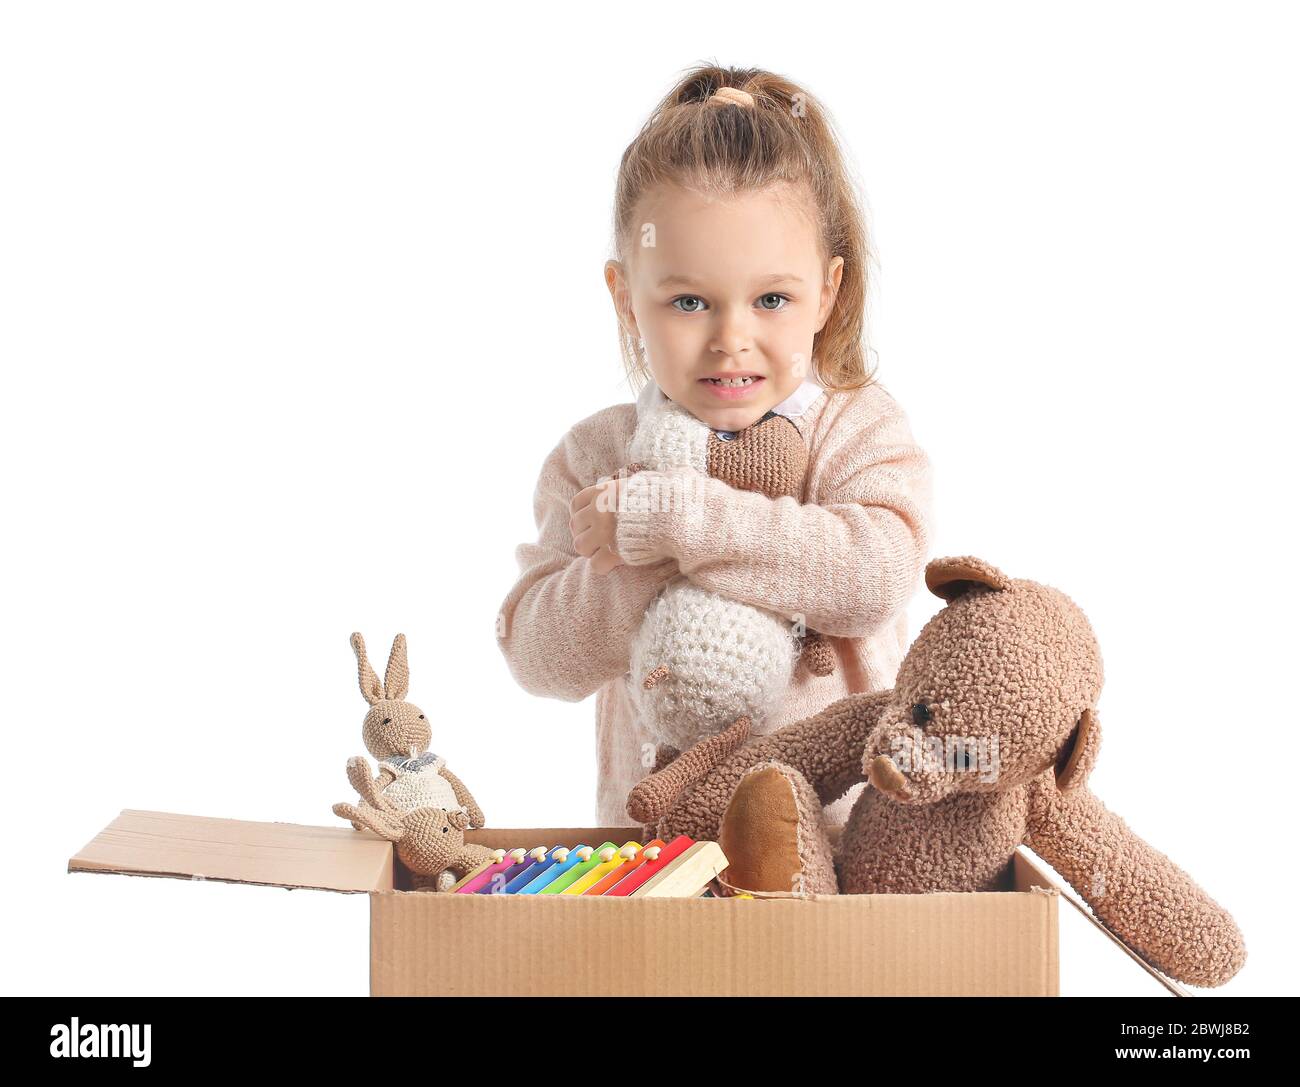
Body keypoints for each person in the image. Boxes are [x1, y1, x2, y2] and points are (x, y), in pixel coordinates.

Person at [496, 65, 934, 826]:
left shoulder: (854, 426)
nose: (732, 340)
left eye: (771, 299)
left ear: (826, 294)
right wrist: (639, 556)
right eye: (689, 301)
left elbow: (878, 570)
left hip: (838, 859)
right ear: (627, 297)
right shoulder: (598, 455)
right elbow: (537, 653)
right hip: (658, 857)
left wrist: (679, 521)